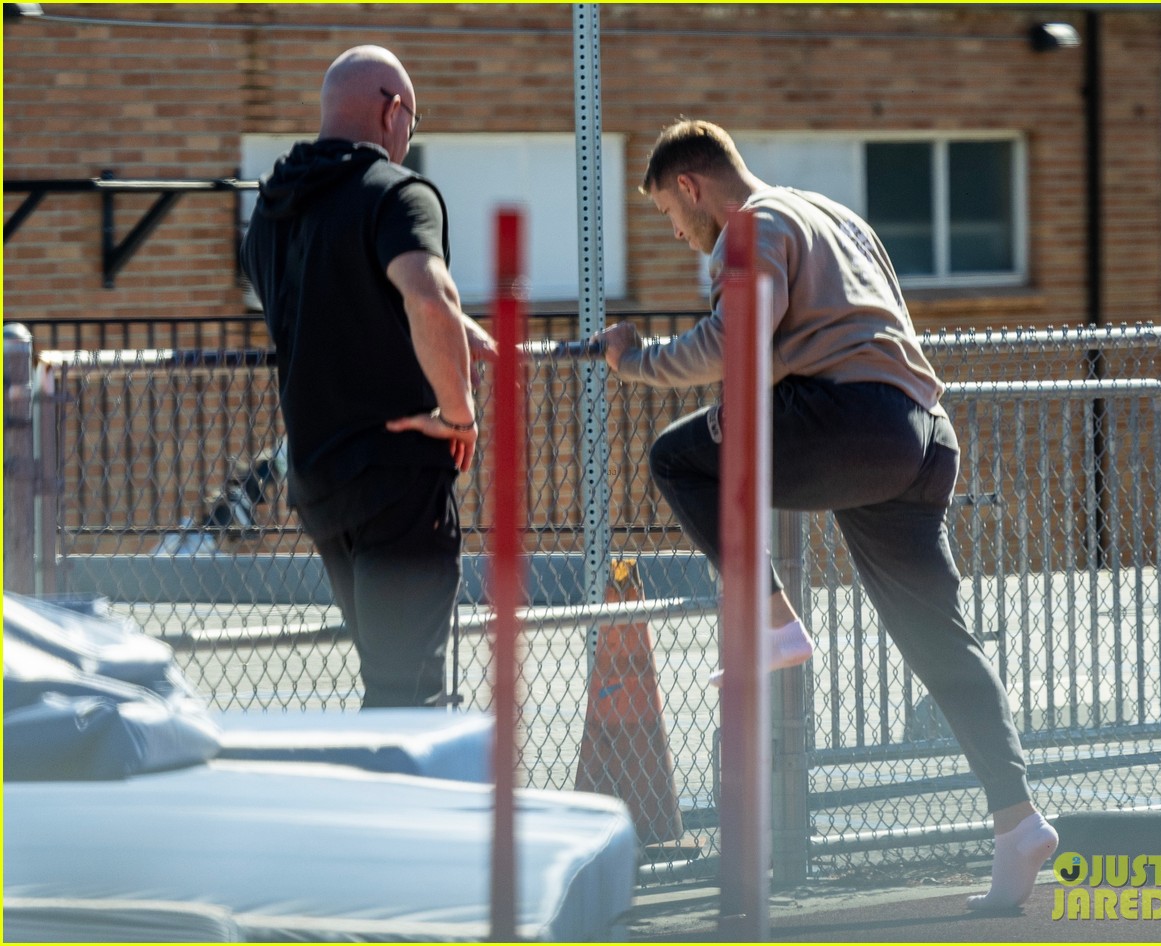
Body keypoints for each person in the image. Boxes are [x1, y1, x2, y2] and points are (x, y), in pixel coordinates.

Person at [594, 118, 1058, 912]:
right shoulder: (836, 218)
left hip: (853, 423)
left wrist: (635, 361)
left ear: (691, 187)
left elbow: (733, 340)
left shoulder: (751, 228)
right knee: (939, 641)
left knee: (677, 457)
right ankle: (1018, 822)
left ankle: (773, 621)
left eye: (672, 219)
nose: (678, 237)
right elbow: (812, 338)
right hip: (922, 438)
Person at [240, 45, 494, 708]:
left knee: (389, 680)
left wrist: (457, 330)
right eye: (414, 118)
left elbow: (342, 304)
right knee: (411, 694)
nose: (409, 135)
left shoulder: (273, 213)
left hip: (320, 488)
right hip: (396, 478)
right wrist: (459, 413)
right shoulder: (397, 193)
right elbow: (426, 293)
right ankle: (413, 807)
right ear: (391, 110)